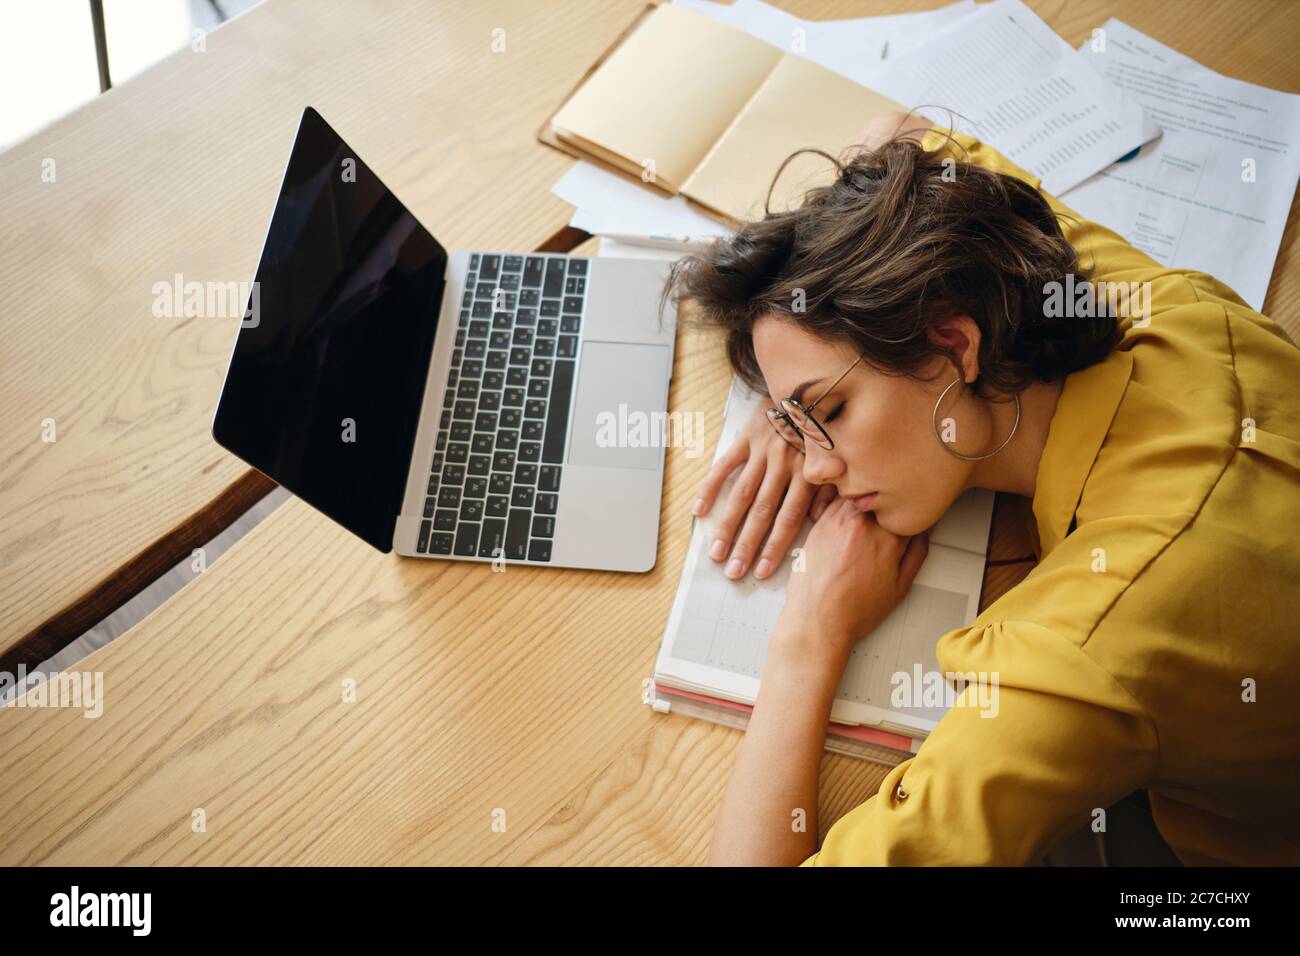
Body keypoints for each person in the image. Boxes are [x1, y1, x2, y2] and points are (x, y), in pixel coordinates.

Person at [662, 111, 1300, 866]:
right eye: (801, 426)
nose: (816, 467)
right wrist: (796, 361)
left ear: (955, 344)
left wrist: (808, 637)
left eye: (832, 411)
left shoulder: (1084, 649)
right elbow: (910, 133)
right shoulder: (1147, 305)